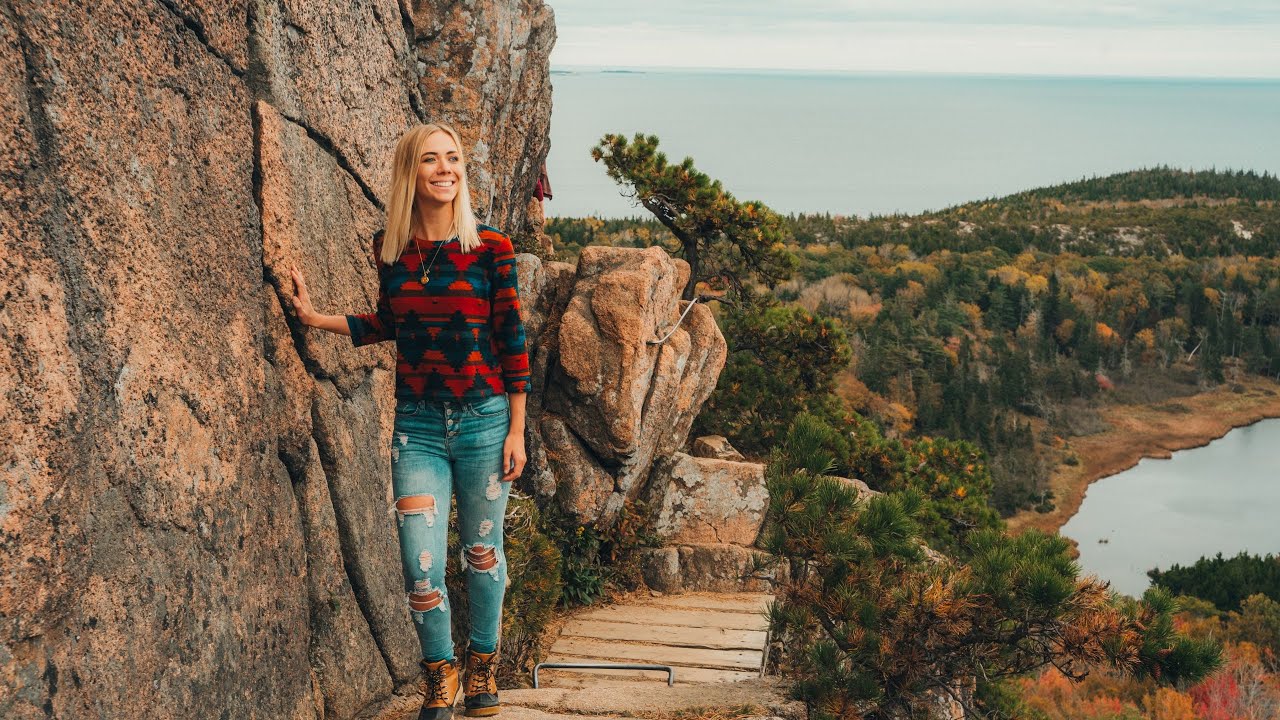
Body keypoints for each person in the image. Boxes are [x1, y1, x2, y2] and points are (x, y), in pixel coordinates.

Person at [288, 122, 531, 719]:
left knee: (482, 552)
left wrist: (517, 429)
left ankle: (482, 667)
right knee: (418, 565)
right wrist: (316, 318)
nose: (445, 169)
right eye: (431, 160)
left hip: (484, 422)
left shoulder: (491, 249)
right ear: (410, 173)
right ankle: (438, 676)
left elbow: (513, 340)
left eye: (453, 159)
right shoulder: (390, 250)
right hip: (416, 427)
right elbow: (390, 323)